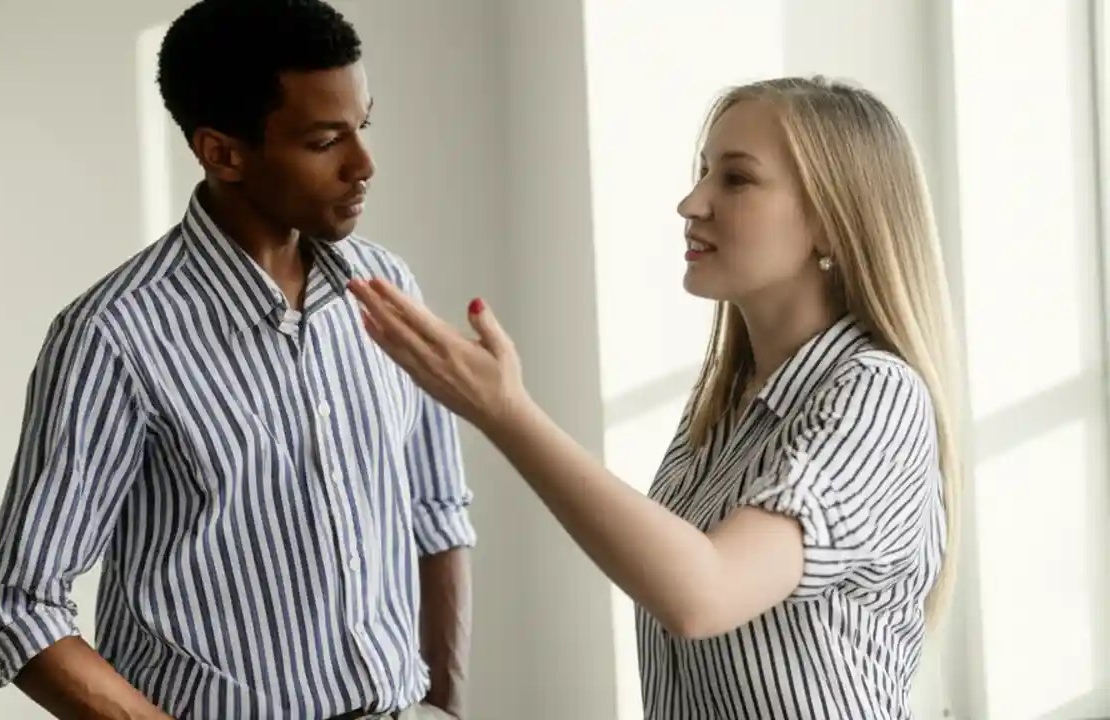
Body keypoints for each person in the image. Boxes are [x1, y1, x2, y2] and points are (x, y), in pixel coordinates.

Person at [349, 76, 962, 720]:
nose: (691, 203)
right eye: (702, 173)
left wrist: (506, 413)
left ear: (832, 226)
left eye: (736, 179)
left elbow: (703, 594)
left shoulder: (878, 396)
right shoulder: (725, 408)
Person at [0, 1, 472, 718]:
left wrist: (444, 706)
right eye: (326, 141)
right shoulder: (115, 335)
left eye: (363, 126)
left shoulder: (387, 291)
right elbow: (18, 603)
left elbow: (436, 510)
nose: (364, 164)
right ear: (222, 152)